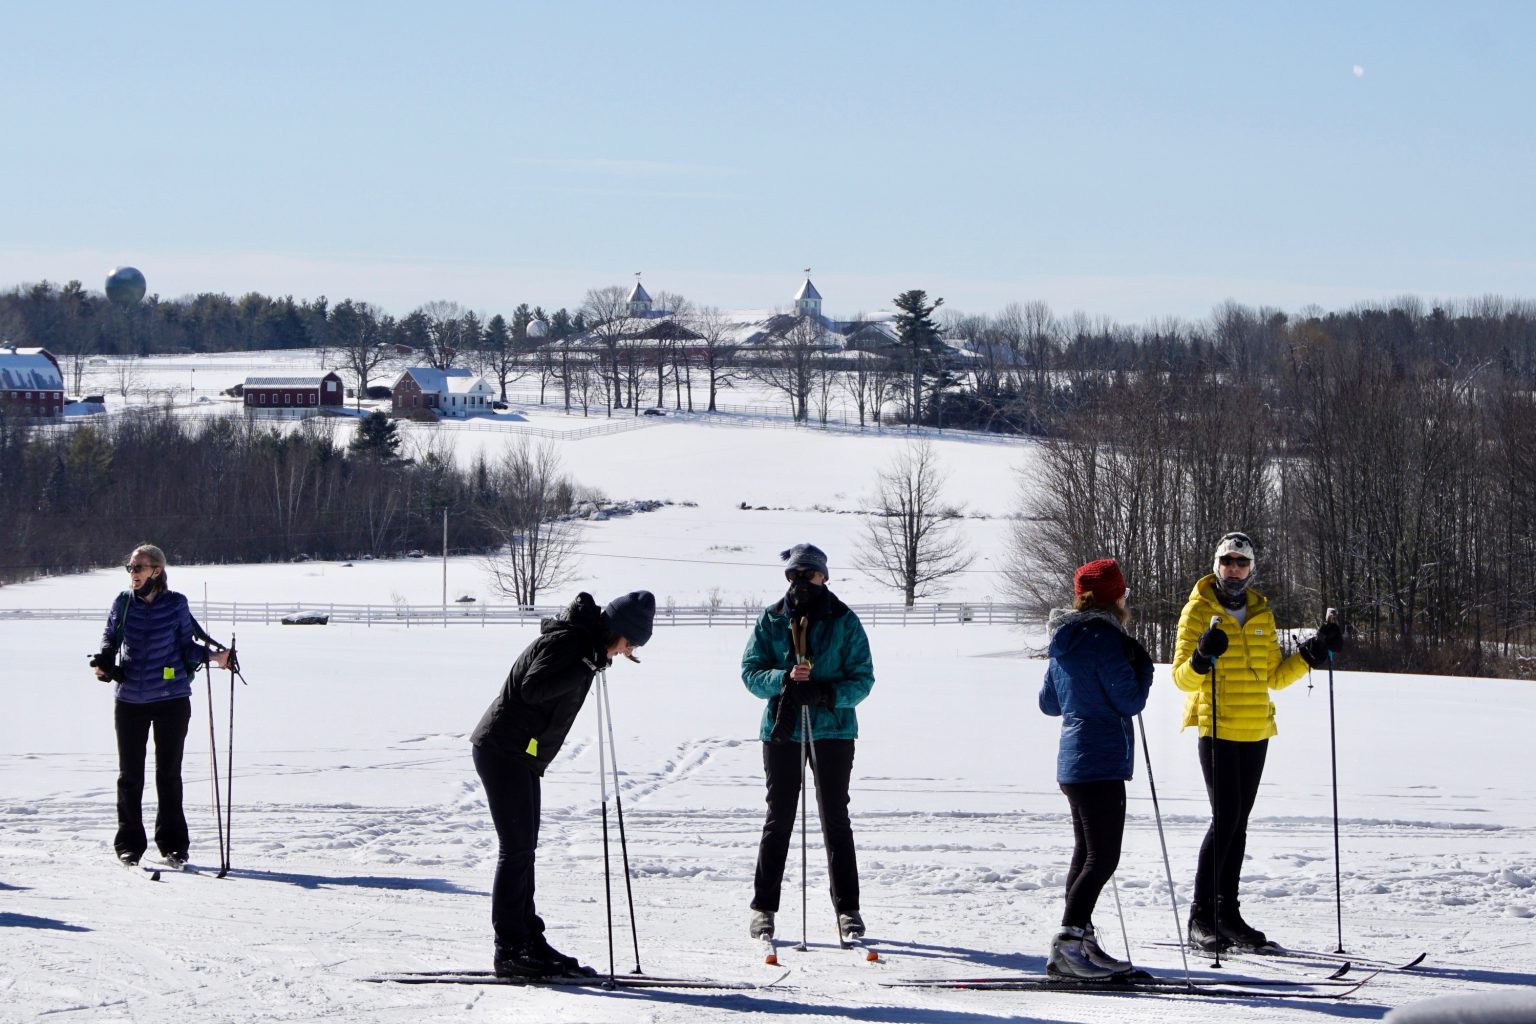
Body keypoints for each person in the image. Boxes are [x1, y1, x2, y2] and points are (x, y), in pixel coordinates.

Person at [469, 590, 655, 979]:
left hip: (521, 754)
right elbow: (532, 689)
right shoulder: (569, 641)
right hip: (502, 749)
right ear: (617, 630)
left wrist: (590, 663)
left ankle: (528, 938)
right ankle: (509, 949)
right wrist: (587, 665)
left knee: (525, 850)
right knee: (516, 850)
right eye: (629, 643)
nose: (626, 651)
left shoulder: (583, 645)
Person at [1172, 532, 1344, 950]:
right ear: (1216, 564)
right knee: (1225, 819)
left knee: (1239, 825)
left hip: (1256, 731)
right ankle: (1201, 917)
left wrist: (1312, 653)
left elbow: (1273, 677)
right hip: (1217, 727)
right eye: (1227, 561)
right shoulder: (1198, 610)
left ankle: (1227, 914)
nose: (1234, 569)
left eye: (1241, 563)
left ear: (1251, 569)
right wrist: (1199, 656)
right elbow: (1181, 678)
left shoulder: (1263, 612)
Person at [742, 544, 875, 943]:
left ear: (824, 577)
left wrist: (825, 695)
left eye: (808, 575)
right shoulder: (772, 619)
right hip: (782, 731)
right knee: (778, 817)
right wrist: (782, 680)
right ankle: (763, 907)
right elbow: (750, 671)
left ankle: (847, 909)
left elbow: (863, 678)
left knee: (835, 817)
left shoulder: (844, 620)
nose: (800, 583)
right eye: (793, 575)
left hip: (832, 730)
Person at [1038, 559, 1154, 979]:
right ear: (1114, 597)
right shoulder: (1106, 639)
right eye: (1122, 592)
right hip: (1101, 758)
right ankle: (1069, 944)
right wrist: (1143, 669)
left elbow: (1049, 703)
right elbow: (1130, 701)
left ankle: (1080, 938)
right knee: (1102, 857)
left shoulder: (1063, 637)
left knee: (1087, 853)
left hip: (1073, 761)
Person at [91, 544, 229, 869]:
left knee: (168, 775)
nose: (132, 574)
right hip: (130, 701)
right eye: (130, 568)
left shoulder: (176, 603)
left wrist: (214, 657)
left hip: (171, 700)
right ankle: (129, 846)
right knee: (130, 777)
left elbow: (186, 644)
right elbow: (110, 637)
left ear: (156, 570)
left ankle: (174, 846)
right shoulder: (123, 603)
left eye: (138, 568)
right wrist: (105, 662)